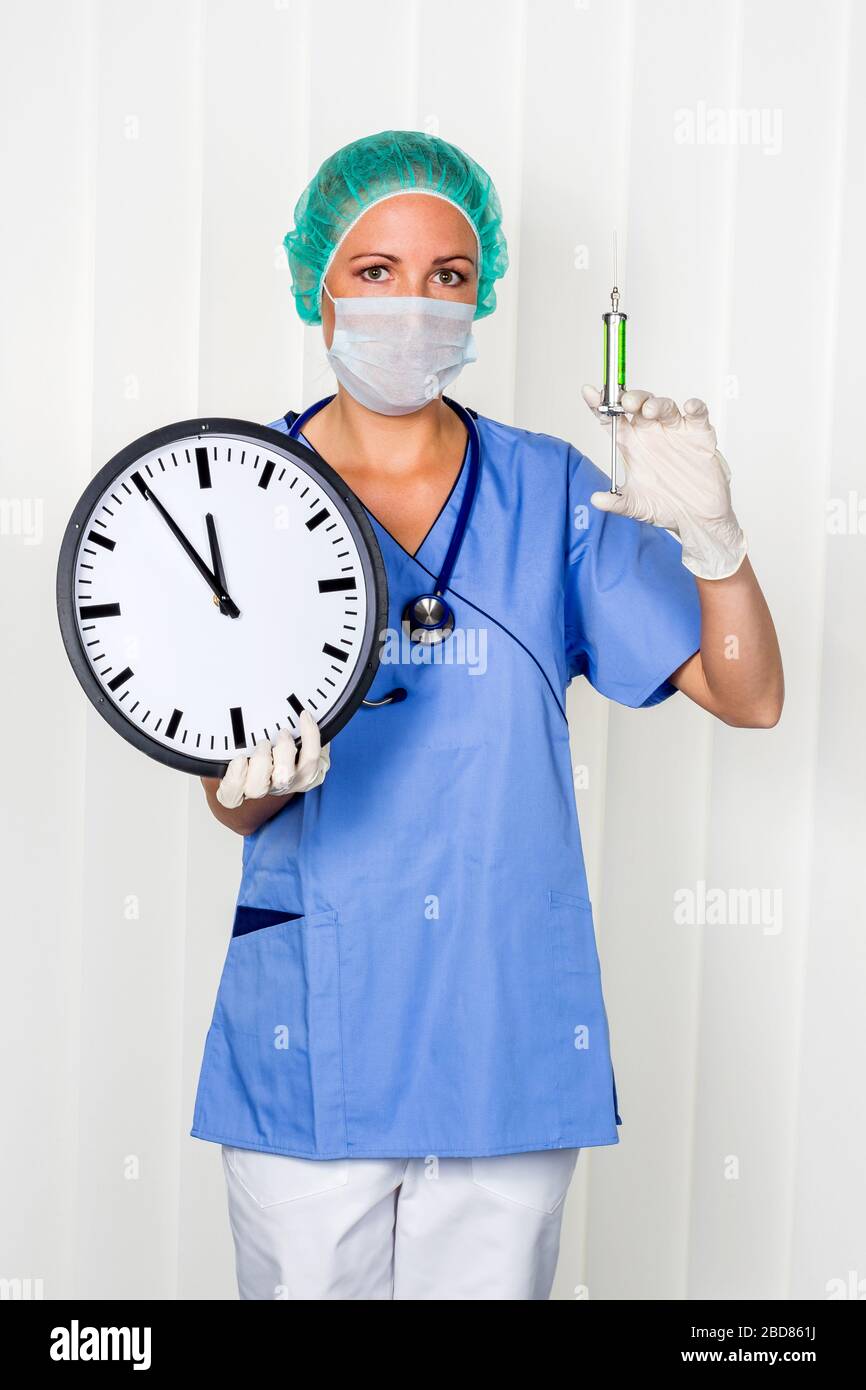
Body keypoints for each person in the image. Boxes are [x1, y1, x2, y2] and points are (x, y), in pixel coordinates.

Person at [191, 130, 783, 1301]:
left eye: (446, 276)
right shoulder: (240, 493)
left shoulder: (554, 490)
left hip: (500, 1025)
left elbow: (747, 693)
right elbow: (232, 803)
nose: (412, 305)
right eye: (375, 272)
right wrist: (249, 780)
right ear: (317, 284)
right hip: (315, 1028)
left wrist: (715, 544)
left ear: (481, 293)